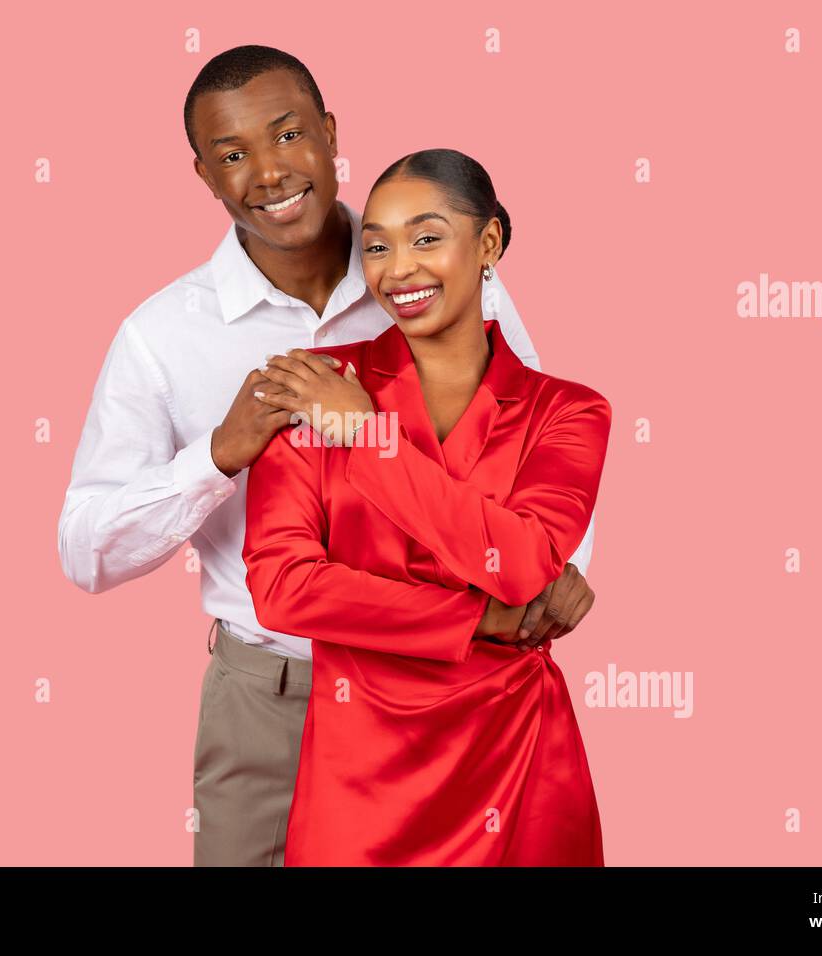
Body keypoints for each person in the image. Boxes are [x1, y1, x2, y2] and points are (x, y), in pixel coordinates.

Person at [57, 45, 600, 867]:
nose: (269, 172)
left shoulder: (438, 276)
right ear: (204, 176)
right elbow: (86, 551)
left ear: (331, 133)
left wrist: (548, 575)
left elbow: (530, 435)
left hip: (449, 693)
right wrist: (220, 454)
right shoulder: (160, 337)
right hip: (273, 701)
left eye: (287, 135)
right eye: (233, 155)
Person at [242, 148, 612, 865]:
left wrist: (363, 435)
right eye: (377, 245)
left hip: (516, 753)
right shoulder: (312, 382)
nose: (397, 268)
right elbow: (284, 588)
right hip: (362, 771)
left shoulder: (568, 410)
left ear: (490, 245)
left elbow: (525, 564)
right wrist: (479, 617)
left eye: (427, 237)